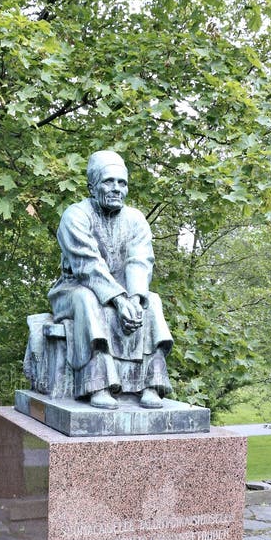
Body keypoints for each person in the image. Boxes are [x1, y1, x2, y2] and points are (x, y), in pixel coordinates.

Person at [48, 150, 173, 409]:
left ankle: (152, 384)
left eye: (122, 183)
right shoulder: (75, 215)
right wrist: (118, 299)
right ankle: (97, 384)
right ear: (92, 187)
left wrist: (136, 298)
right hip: (74, 290)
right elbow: (87, 265)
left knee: (153, 301)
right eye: (109, 181)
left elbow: (140, 260)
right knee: (87, 298)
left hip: (124, 292)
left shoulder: (136, 219)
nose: (117, 188)